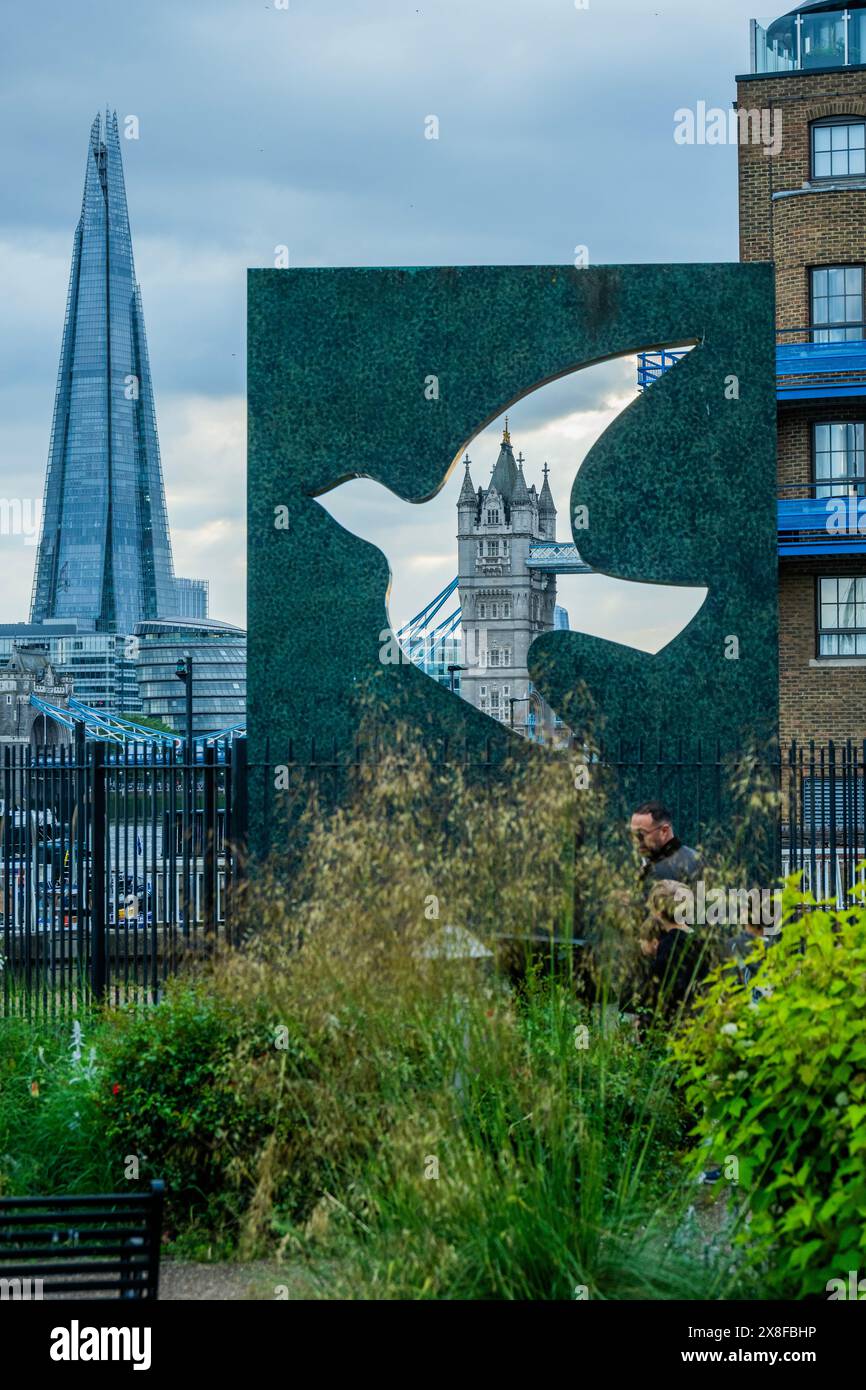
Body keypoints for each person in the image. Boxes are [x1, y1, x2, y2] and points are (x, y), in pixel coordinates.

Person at [639, 879, 708, 1016]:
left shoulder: (667, 947)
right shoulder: (701, 942)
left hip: (674, 1020)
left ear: (657, 912)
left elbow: (662, 994)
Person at [630, 800, 701, 892]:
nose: (635, 841)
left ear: (664, 831)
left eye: (641, 835)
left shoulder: (658, 872)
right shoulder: (696, 858)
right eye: (631, 834)